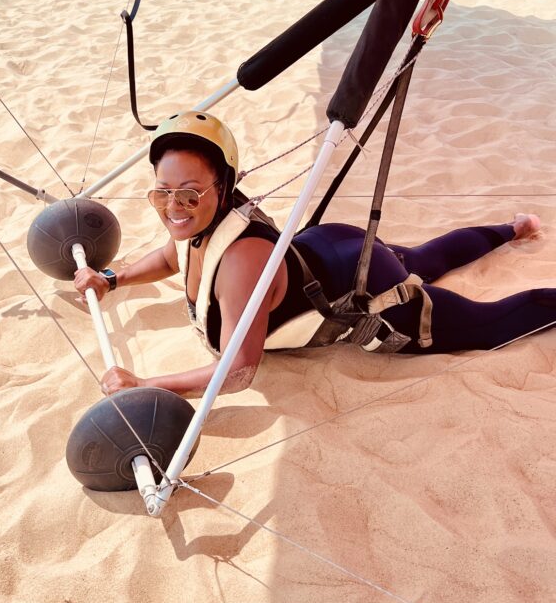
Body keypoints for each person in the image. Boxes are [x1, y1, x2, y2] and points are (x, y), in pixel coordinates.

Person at [74, 112, 553, 398]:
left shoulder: (242, 262)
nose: (174, 209)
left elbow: (239, 370)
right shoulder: (195, 224)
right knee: (423, 259)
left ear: (223, 188)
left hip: (362, 289)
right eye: (162, 195)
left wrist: (146, 384)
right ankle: (515, 227)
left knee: (486, 325)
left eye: (190, 194)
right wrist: (110, 278)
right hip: (330, 249)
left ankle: (524, 251)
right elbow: (169, 258)